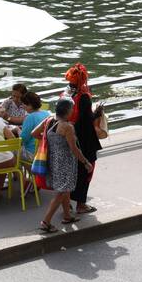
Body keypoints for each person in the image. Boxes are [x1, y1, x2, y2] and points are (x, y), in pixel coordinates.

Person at [34, 99, 93, 233]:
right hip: (65, 163)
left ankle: (67, 216)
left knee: (65, 189)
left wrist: (52, 141)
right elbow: (74, 149)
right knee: (61, 192)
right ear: (67, 111)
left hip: (52, 160)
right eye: (72, 108)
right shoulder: (67, 127)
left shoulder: (49, 120)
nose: (73, 110)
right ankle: (46, 222)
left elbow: (35, 133)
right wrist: (85, 162)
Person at [62, 63, 102, 216]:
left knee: (70, 171)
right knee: (86, 170)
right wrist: (97, 114)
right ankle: (81, 204)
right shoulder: (84, 97)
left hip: (67, 135)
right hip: (84, 139)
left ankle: (67, 204)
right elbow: (86, 120)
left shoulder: (64, 93)